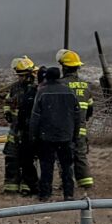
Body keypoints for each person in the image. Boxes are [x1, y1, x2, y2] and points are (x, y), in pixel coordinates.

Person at [29, 66, 83, 201]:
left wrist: (33, 137)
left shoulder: (42, 92)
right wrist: (75, 135)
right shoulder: (69, 92)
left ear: (47, 77)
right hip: (66, 136)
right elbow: (78, 116)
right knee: (66, 167)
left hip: (46, 136)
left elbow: (35, 117)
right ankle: (69, 194)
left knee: (46, 166)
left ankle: (45, 194)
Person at [57, 50, 95, 190]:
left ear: (64, 67)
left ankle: (67, 182)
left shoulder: (60, 85)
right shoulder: (85, 86)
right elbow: (90, 109)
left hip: (64, 129)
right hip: (81, 127)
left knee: (64, 156)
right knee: (80, 155)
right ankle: (86, 183)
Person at [2, 58, 40, 196]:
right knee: (11, 157)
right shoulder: (15, 88)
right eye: (19, 75)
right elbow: (7, 101)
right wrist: (7, 112)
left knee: (29, 159)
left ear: (30, 74)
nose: (20, 78)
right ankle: (11, 186)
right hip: (15, 129)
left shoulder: (37, 89)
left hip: (29, 131)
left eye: (22, 75)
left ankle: (27, 186)